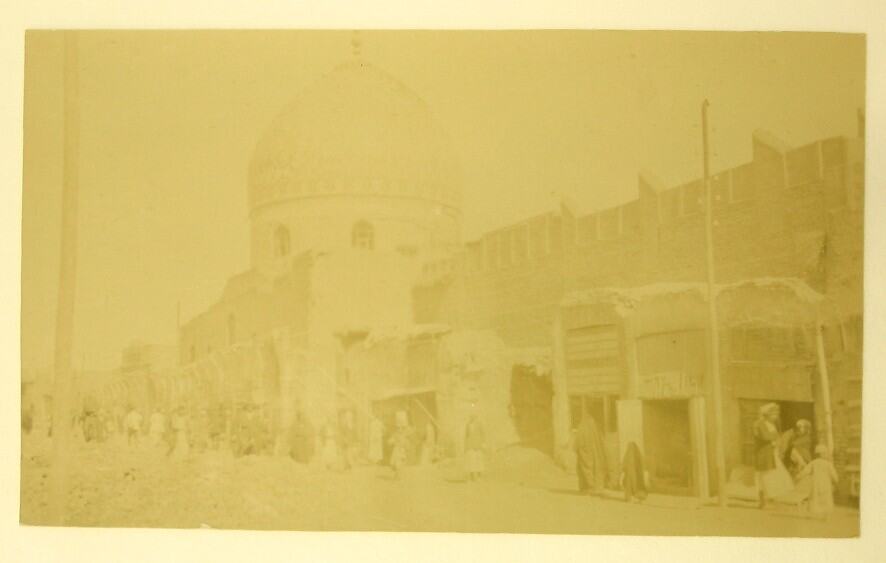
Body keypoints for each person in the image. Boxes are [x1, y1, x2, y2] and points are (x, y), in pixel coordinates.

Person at [754, 403, 792, 507]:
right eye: (773, 414)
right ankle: (763, 501)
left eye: (776, 414)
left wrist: (777, 439)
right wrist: (775, 438)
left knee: (774, 476)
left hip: (772, 453)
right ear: (767, 414)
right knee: (764, 477)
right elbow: (765, 436)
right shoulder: (759, 424)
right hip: (763, 454)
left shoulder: (772, 425)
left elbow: (776, 437)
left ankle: (769, 499)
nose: (775, 417)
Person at [799, 444, 839, 519]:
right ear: (822, 454)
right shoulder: (828, 464)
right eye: (825, 453)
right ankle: (826, 514)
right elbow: (833, 474)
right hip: (826, 483)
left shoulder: (814, 463)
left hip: (816, 483)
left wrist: (799, 476)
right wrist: (836, 480)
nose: (826, 455)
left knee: (816, 498)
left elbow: (806, 471)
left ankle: (816, 512)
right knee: (826, 498)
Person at [575, 409, 607, 496]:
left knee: (586, 469)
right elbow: (602, 441)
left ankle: (588, 487)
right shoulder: (595, 426)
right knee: (596, 469)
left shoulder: (582, 426)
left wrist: (579, 451)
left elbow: (578, 442)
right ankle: (596, 487)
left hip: (586, 454)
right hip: (595, 454)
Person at [464, 414, 487, 482]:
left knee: (478, 460)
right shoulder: (468, 425)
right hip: (470, 445)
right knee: (471, 461)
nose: (472, 417)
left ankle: (479, 476)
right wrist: (465, 446)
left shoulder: (479, 424)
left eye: (473, 416)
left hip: (478, 445)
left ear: (476, 417)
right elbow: (466, 436)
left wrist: (483, 444)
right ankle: (472, 476)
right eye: (471, 416)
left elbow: (483, 434)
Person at [389, 413, 412, 480]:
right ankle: (397, 475)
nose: (399, 429)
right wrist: (391, 441)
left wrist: (406, 447)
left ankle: (398, 476)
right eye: (398, 428)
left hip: (401, 450)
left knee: (399, 463)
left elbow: (406, 442)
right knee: (394, 463)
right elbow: (391, 440)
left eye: (401, 428)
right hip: (396, 450)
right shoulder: (396, 434)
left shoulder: (404, 435)